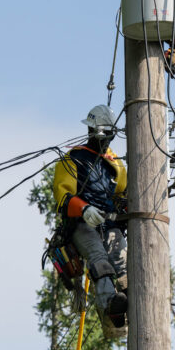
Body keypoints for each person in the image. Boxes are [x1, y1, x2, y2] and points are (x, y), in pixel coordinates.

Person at [52, 104, 128, 333]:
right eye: (98, 133)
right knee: (98, 256)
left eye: (107, 134)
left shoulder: (115, 163)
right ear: (91, 131)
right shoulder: (73, 159)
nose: (103, 139)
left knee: (123, 262)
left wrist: (125, 210)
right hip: (81, 224)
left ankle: (128, 302)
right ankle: (109, 305)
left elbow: (123, 194)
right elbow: (63, 196)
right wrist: (84, 209)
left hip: (109, 223)